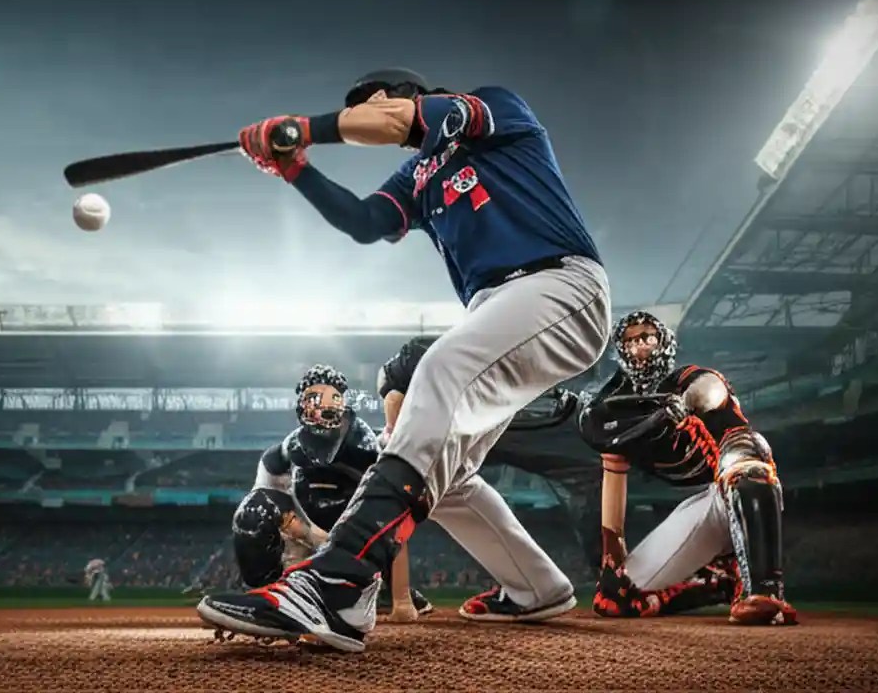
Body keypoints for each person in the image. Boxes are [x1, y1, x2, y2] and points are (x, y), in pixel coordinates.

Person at [196, 68, 612, 652]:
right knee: (446, 469)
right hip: (498, 308)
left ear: (403, 95)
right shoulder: (417, 174)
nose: (367, 113)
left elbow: (396, 120)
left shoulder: (491, 109)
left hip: (558, 285)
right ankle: (536, 587)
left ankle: (339, 582)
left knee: (436, 371)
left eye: (371, 103)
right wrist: (295, 168)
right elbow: (365, 222)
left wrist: (300, 129)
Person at [577, 310, 797, 626]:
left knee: (748, 459)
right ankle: (722, 579)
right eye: (630, 339)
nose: (639, 344)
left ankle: (764, 591)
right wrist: (613, 557)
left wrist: (686, 401)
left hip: (734, 493)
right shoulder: (620, 407)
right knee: (616, 597)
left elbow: (712, 387)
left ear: (663, 341)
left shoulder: (687, 380)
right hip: (706, 510)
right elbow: (613, 473)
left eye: (647, 336)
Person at [376, 334, 584, 621]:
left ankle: (538, 588)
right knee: (449, 484)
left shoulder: (416, 362)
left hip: (499, 370)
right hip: (514, 369)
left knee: (433, 479)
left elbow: (395, 383)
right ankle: (537, 586)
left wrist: (395, 437)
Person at [231, 364, 433, 623]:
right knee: (254, 511)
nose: (323, 406)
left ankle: (376, 588)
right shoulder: (284, 453)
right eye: (315, 397)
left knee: (388, 512)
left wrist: (401, 598)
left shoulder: (370, 450)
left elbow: (394, 519)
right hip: (310, 535)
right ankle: (268, 594)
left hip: (358, 543)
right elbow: (263, 500)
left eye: (332, 397)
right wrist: (300, 531)